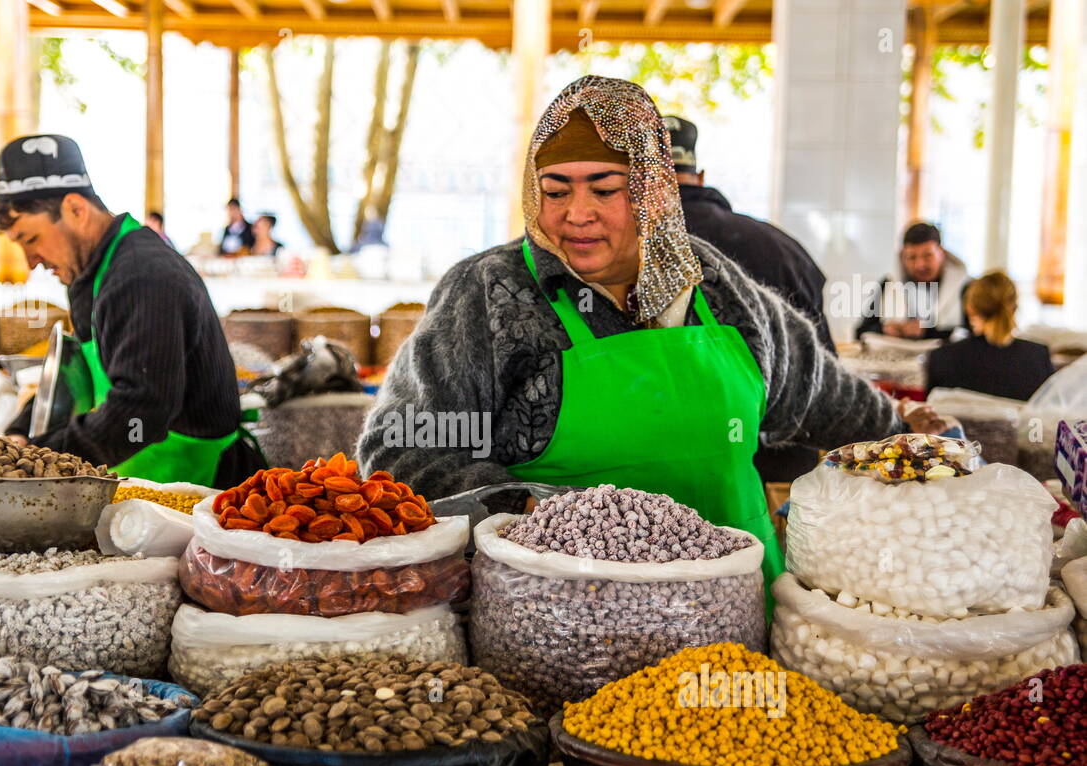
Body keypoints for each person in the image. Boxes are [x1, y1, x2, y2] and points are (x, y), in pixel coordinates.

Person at [359, 77, 941, 584]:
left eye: (605, 189)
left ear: (654, 189)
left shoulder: (715, 286)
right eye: (556, 190)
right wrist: (548, 519)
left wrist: (903, 432)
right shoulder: (488, 294)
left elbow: (819, 393)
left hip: (734, 627)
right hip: (556, 623)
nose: (576, 214)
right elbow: (403, 446)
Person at [0, 134, 262, 487]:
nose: (31, 261)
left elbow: (141, 414)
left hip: (196, 488)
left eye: (31, 239)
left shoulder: (141, 276)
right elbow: (75, 379)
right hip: (138, 474)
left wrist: (38, 460)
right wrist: (21, 435)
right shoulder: (91, 272)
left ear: (76, 209)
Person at [666, 114, 833, 483]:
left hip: (661, 476)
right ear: (702, 176)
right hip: (777, 471)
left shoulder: (616, 255)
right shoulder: (782, 247)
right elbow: (823, 371)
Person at [925, 271, 1054, 401]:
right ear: (1014, 308)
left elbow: (928, 416)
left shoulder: (942, 358)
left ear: (970, 309)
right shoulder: (1038, 358)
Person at [857, 222, 970, 340]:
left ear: (941, 253)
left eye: (927, 256)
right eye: (912, 257)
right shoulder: (888, 284)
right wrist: (884, 329)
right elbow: (861, 331)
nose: (920, 265)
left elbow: (973, 336)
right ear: (903, 257)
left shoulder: (966, 287)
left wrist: (926, 332)